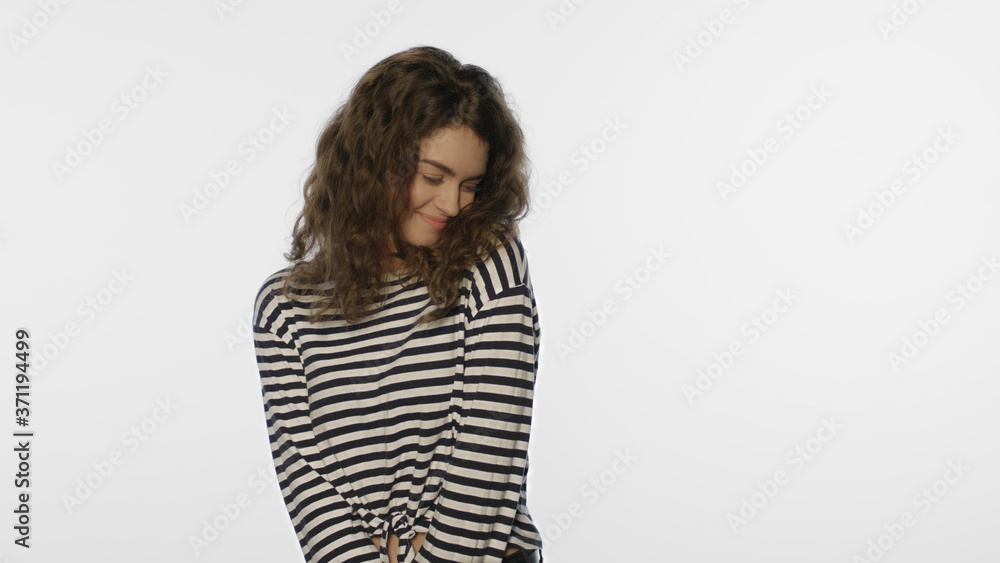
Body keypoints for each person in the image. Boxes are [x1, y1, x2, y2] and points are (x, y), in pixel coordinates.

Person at [252, 46, 544, 563]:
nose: (453, 204)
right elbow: (309, 490)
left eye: (470, 185)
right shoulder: (285, 309)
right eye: (433, 177)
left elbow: (489, 454)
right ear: (374, 162)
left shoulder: (489, 263)